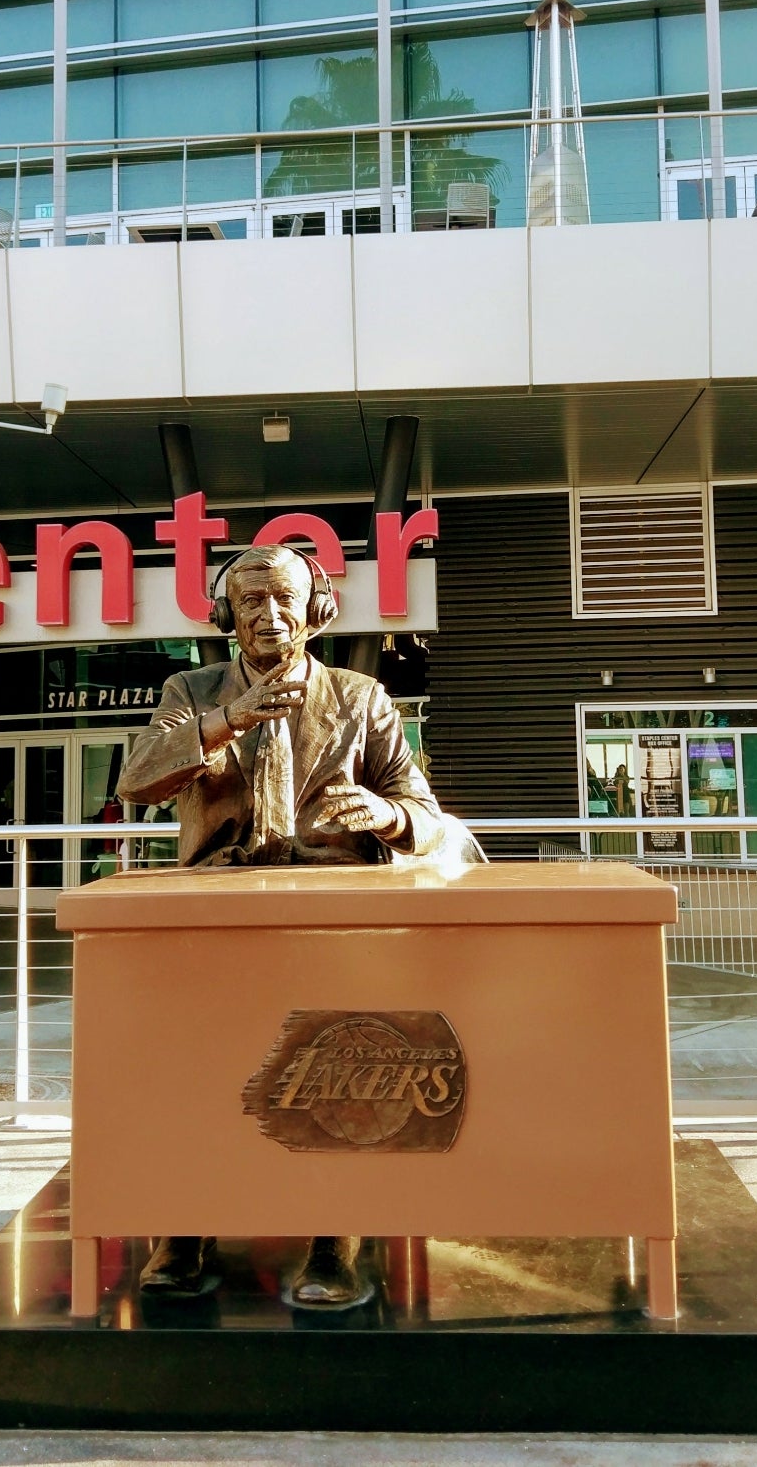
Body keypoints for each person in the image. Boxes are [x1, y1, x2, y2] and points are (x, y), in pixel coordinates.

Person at [118, 542, 477, 1307]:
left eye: (284, 600)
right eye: (250, 603)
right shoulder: (192, 688)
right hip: (217, 916)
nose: (269, 617)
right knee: (202, 1073)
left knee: (336, 1074)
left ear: (315, 612)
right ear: (226, 616)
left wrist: (384, 813)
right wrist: (223, 722)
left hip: (333, 916)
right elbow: (138, 778)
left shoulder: (360, 698)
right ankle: (183, 1232)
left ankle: (333, 1240)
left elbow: (423, 811)